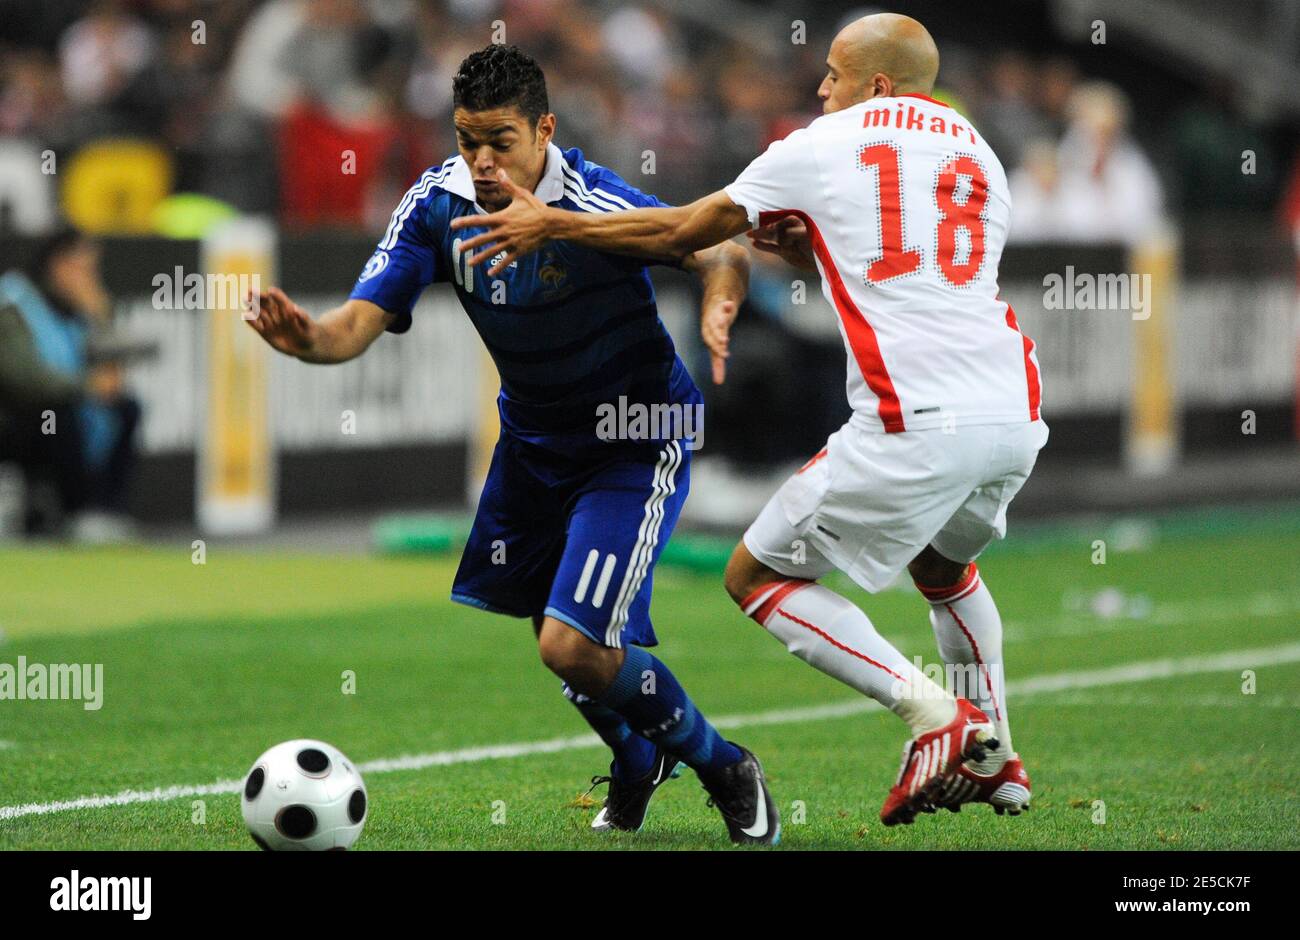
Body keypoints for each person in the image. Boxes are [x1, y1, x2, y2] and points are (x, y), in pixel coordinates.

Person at [452, 13, 1047, 827]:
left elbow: (681, 229)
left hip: (915, 413)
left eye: (833, 73)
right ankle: (1001, 760)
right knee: (946, 574)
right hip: (1012, 407)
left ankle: (937, 718)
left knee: (757, 576)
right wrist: (780, 241)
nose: (819, 87)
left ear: (874, 84)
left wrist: (552, 221)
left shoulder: (818, 144)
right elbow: (869, 251)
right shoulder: (978, 152)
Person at [246, 44, 780, 845]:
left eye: (501, 141)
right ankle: (639, 762)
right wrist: (310, 341)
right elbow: (357, 321)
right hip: (533, 445)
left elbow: (718, 246)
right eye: (468, 140)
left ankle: (725, 766)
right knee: (557, 642)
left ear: (545, 131)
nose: (483, 161)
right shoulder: (437, 204)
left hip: (634, 439)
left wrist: (720, 300)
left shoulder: (596, 198)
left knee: (573, 644)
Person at [0, 227, 142, 539]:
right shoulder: (12, 301)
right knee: (59, 414)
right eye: (83, 269)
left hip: (62, 408)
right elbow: (22, 377)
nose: (89, 278)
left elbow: (111, 369)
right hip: (16, 418)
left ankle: (105, 511)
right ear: (57, 264)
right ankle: (75, 511)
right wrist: (86, 387)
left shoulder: (77, 311)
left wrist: (101, 315)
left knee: (125, 407)